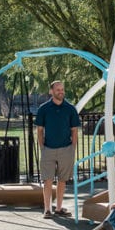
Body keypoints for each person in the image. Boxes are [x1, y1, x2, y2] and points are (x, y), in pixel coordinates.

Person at [35, 80, 80, 219]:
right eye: (58, 89)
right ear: (51, 91)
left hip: (66, 149)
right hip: (48, 149)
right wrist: (42, 147)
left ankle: (59, 208)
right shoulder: (43, 109)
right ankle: (47, 209)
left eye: (62, 89)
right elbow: (40, 130)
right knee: (47, 180)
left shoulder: (70, 109)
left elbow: (74, 130)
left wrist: (72, 148)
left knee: (62, 180)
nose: (61, 91)